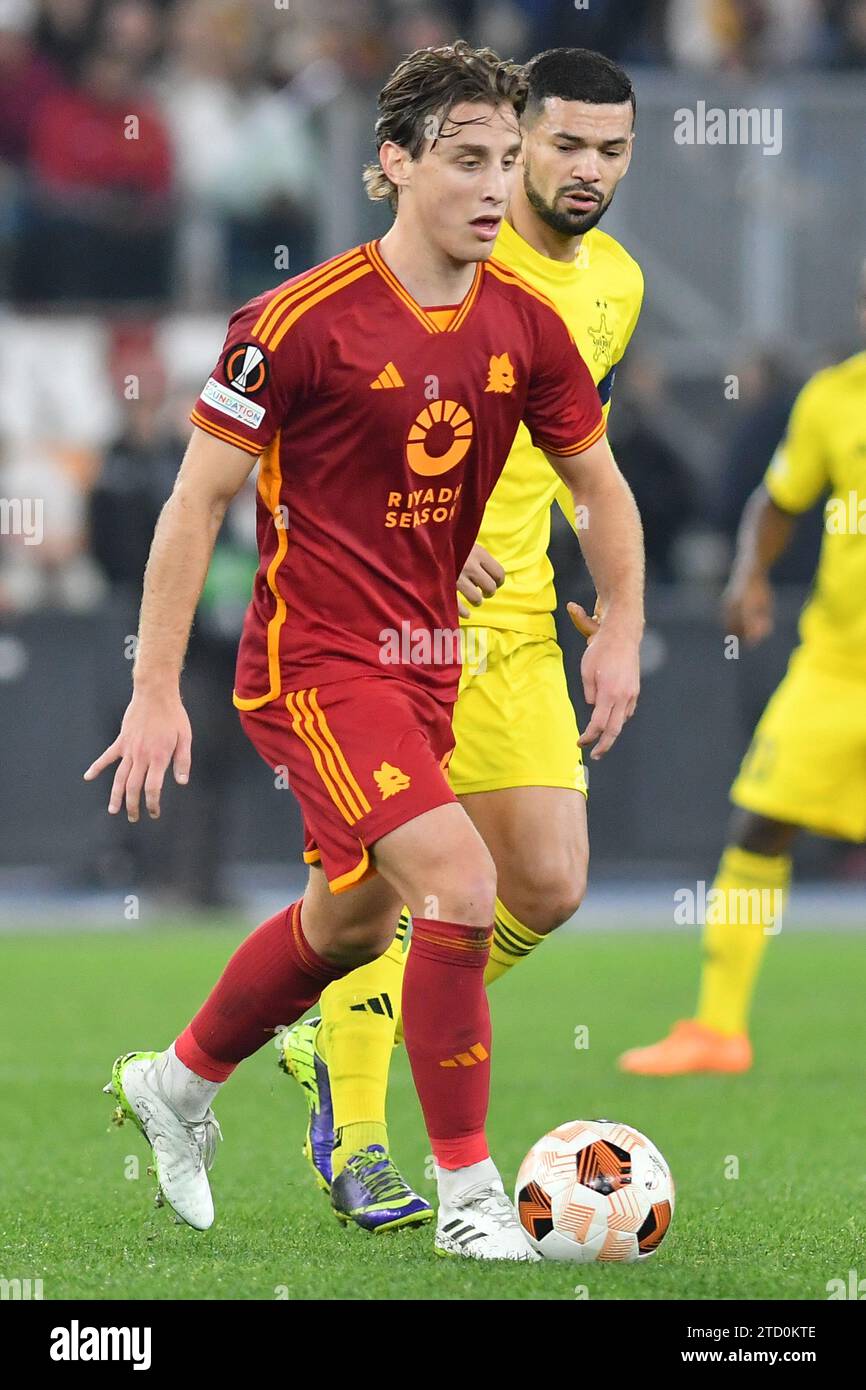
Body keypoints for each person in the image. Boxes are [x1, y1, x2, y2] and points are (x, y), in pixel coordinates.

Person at [87, 41, 644, 1261]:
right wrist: (153, 687)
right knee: (460, 884)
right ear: (392, 162)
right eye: (465, 160)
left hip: (430, 662)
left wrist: (621, 625)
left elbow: (598, 485)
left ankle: (176, 1083)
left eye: (506, 160)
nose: (494, 187)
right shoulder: (294, 321)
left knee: (343, 928)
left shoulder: (526, 325)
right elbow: (194, 503)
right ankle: (470, 1195)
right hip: (316, 662)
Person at [277, 46, 647, 1233]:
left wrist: (619, 615)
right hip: (393, 623)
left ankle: (345, 1020)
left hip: (520, 620)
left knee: (547, 882)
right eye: (561, 144)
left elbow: (580, 461)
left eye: (610, 150)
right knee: (402, 896)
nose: (585, 170)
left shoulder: (616, 285)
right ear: (505, 143)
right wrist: (418, 541)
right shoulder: (441, 260)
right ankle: (360, 1132)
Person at [620, 260, 866, 1076]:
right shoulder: (833, 398)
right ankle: (718, 1029)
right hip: (838, 664)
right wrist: (748, 574)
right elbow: (779, 499)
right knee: (760, 820)